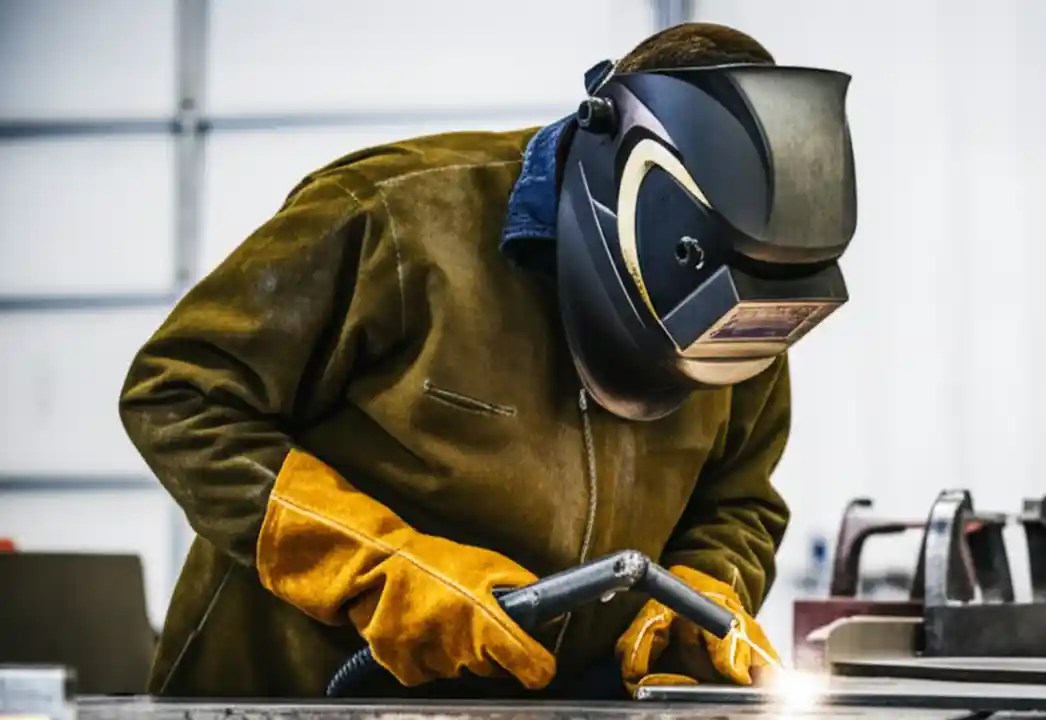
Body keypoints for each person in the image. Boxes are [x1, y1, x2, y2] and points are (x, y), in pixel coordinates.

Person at [120, 22, 857, 698]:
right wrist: (383, 569)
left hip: (546, 706)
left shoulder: (740, 301)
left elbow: (740, 496)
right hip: (295, 696)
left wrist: (705, 595)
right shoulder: (397, 220)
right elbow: (180, 394)